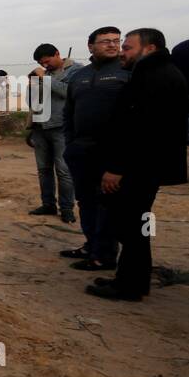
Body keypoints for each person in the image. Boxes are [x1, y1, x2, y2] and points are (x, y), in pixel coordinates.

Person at [86, 29, 189, 301]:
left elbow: (140, 130)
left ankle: (128, 286)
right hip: (146, 166)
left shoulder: (153, 78)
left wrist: (116, 168)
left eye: (128, 47)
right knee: (135, 228)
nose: (122, 51)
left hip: (138, 168)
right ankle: (132, 279)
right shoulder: (159, 73)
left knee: (131, 229)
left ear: (150, 48)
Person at [63, 26, 131, 272]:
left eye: (116, 41)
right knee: (86, 201)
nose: (112, 45)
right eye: (105, 41)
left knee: (108, 204)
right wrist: (70, 143)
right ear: (91, 46)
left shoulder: (127, 72)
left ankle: (105, 254)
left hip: (112, 152)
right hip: (81, 150)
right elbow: (69, 112)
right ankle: (91, 246)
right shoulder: (79, 76)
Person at [29, 44, 80, 221]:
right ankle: (48, 204)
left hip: (62, 128)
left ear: (58, 54)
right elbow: (33, 102)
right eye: (42, 64)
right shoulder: (44, 74)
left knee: (64, 171)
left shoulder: (76, 70)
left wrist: (45, 78)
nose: (45, 66)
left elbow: (69, 92)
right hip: (40, 128)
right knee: (43, 170)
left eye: (47, 61)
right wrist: (32, 86)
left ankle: (66, 208)